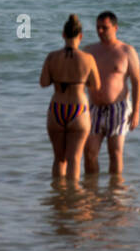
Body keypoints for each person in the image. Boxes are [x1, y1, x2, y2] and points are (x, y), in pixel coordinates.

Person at [40, 15, 101, 180]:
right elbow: (96, 85)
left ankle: (59, 199)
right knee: (75, 159)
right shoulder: (88, 59)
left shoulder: (52, 57)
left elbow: (44, 83)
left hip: (56, 108)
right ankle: (73, 199)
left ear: (63, 35)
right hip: (78, 109)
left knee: (59, 159)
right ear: (80, 36)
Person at [84, 11, 140, 175]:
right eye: (98, 28)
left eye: (105, 28)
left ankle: (115, 194)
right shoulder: (89, 51)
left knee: (115, 152)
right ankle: (91, 190)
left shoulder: (127, 51)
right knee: (89, 152)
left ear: (115, 28)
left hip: (119, 107)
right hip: (94, 108)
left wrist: (136, 112)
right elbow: (80, 81)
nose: (100, 31)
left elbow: (136, 82)